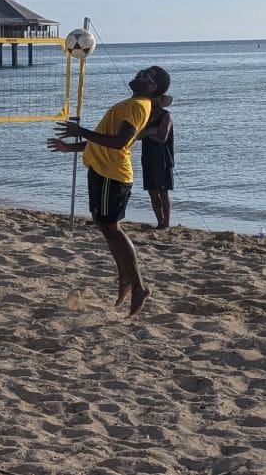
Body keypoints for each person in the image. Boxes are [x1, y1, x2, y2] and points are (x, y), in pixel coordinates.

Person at [47, 65, 170, 318]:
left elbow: (120, 142)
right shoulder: (132, 103)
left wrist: (79, 131)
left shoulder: (138, 107)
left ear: (152, 86)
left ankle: (138, 287)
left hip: (111, 175)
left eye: (144, 75)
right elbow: (105, 139)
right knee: (107, 228)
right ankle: (126, 278)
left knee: (112, 229)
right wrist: (69, 147)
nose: (137, 75)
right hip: (102, 171)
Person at [140, 94, 175, 229]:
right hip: (147, 157)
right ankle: (159, 221)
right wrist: (150, 131)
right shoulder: (146, 115)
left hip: (163, 158)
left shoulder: (167, 116)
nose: (153, 100)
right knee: (152, 193)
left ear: (161, 100)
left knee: (163, 193)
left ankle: (166, 223)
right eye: (152, 98)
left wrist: (148, 133)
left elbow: (162, 138)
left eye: (157, 98)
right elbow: (138, 135)